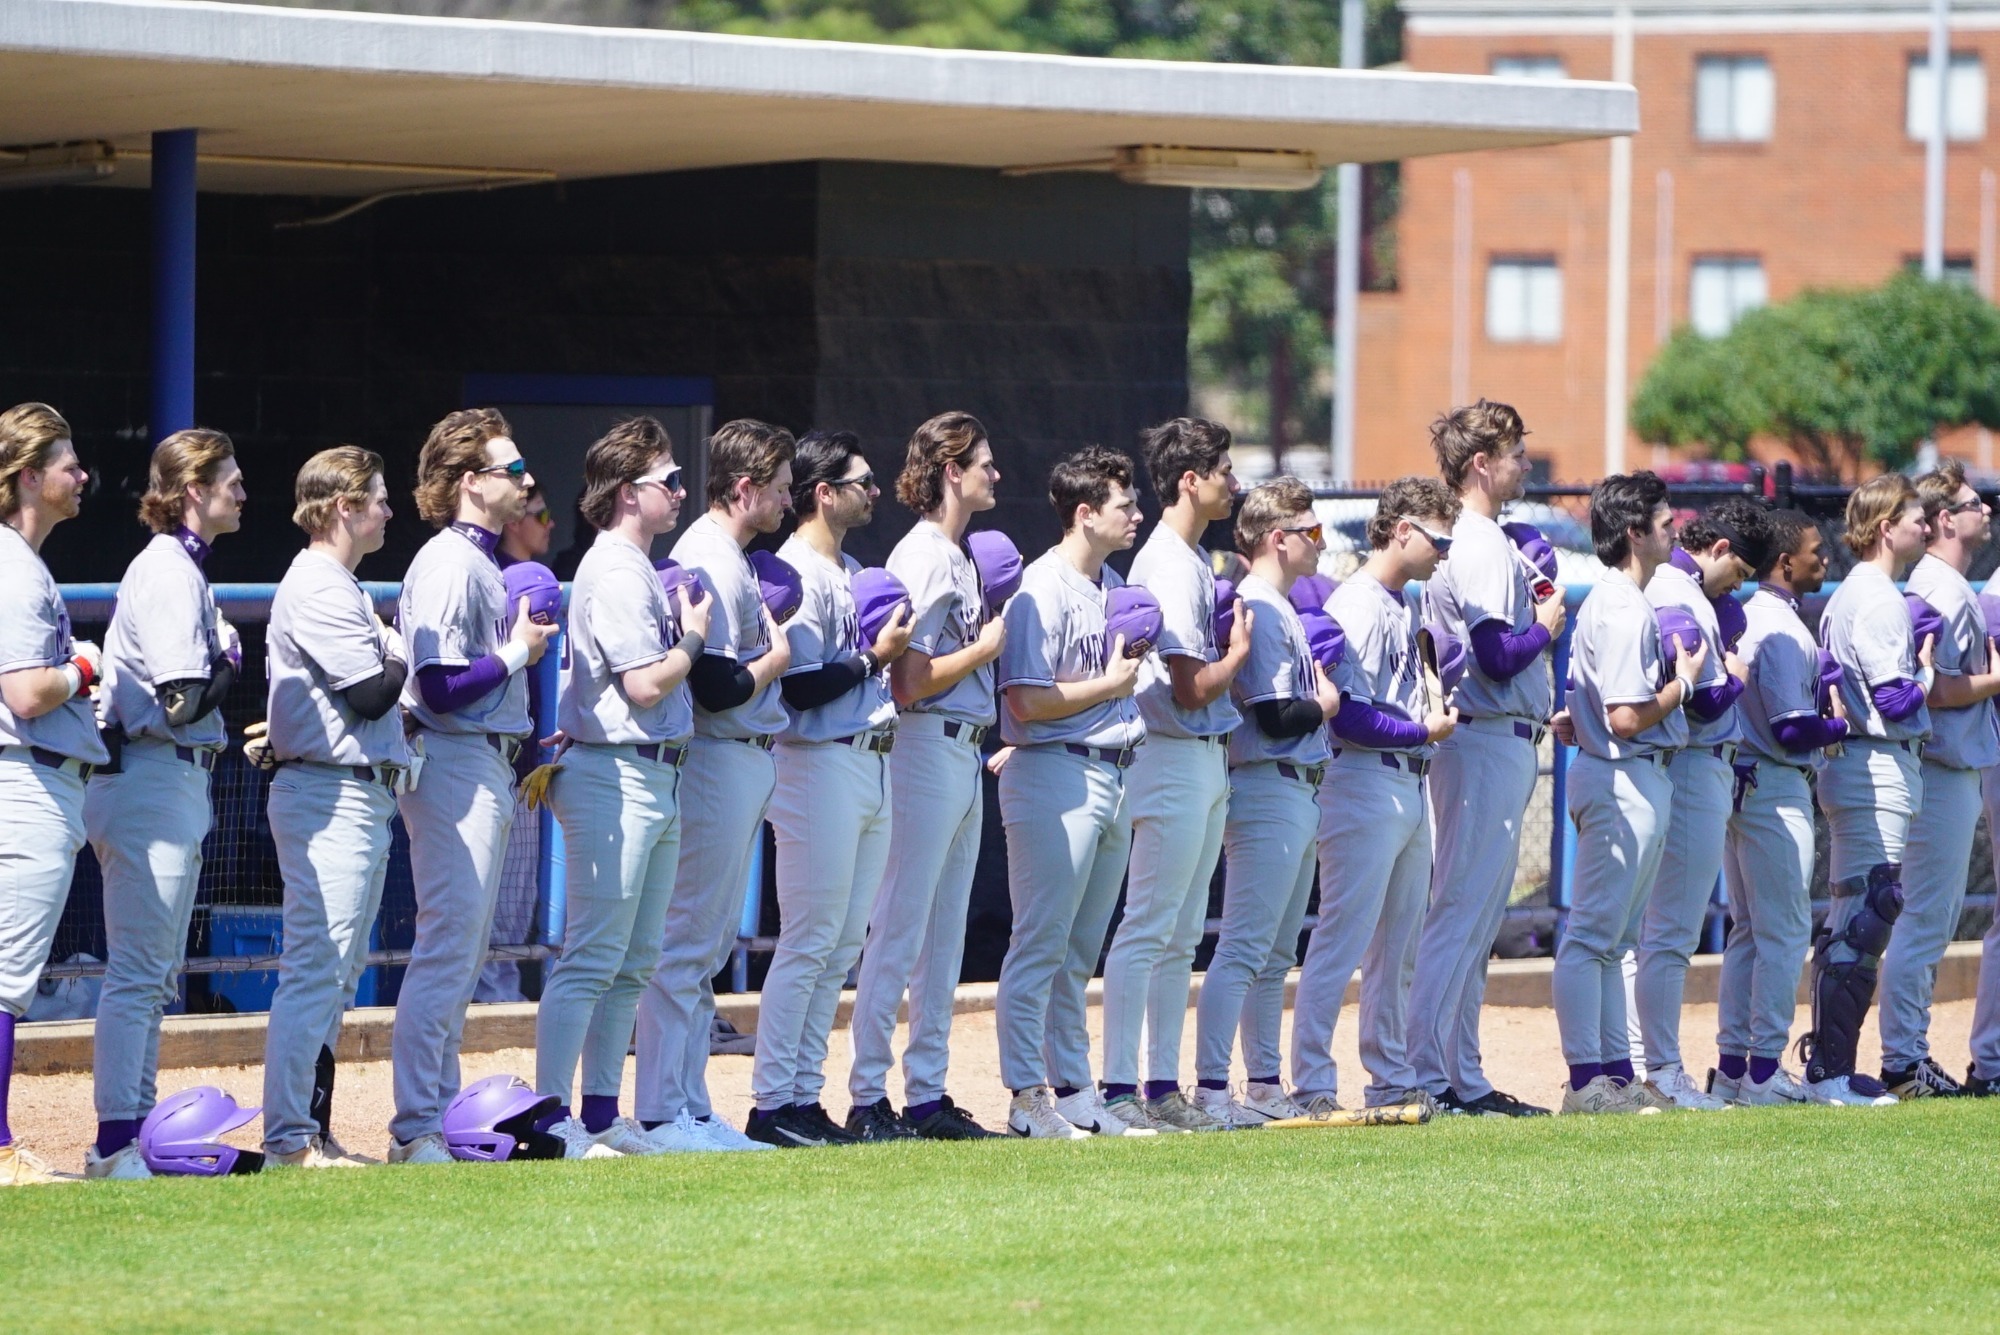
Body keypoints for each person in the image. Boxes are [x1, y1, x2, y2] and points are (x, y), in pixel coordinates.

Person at [532, 417, 708, 1156]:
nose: (680, 492)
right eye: (669, 482)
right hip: (614, 771)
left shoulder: (632, 565)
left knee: (633, 960)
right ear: (630, 493)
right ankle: (548, 1118)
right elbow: (641, 684)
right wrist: (693, 636)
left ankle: (602, 1114)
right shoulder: (613, 565)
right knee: (594, 956)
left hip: (651, 772)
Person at [389, 409, 552, 1163]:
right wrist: (519, 654)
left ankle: (435, 1113)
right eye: (510, 469)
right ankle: (418, 1123)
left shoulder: (481, 560)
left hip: (480, 756)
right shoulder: (451, 562)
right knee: (449, 945)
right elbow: (440, 684)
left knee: (461, 945)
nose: (524, 479)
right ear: (469, 481)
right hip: (453, 757)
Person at [84, 428, 246, 1179]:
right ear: (193, 490)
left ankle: (131, 1127)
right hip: (152, 773)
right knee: (141, 972)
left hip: (166, 777)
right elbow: (182, 702)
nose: (242, 492)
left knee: (151, 971)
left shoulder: (183, 568)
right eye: (230, 480)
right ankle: (116, 1139)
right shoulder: (167, 569)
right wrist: (228, 661)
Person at [746, 432, 912, 1147]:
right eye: (863, 481)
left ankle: (802, 1096)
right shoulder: (792, 573)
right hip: (816, 760)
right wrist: (875, 657)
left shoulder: (852, 568)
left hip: (870, 758)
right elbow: (799, 686)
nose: (875, 492)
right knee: (811, 937)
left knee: (843, 940)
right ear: (824, 492)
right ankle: (771, 1102)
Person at [632, 420, 794, 1153]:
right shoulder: (705, 553)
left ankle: (691, 1105)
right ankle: (665, 1111)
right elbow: (719, 685)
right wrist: (778, 658)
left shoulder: (729, 553)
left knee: (707, 941)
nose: (789, 500)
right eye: (782, 486)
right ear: (744, 487)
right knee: (687, 940)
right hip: (717, 755)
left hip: (743, 758)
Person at [845, 412, 1007, 1142]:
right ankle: (866, 1094)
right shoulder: (928, 555)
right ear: (951, 468)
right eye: (984, 462)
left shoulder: (958, 553)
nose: (994, 473)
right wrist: (987, 650)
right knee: (902, 925)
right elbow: (909, 681)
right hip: (922, 744)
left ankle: (928, 1092)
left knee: (944, 933)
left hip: (962, 749)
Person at [1408, 400, 1562, 1118]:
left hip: (1499, 738)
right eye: (1515, 451)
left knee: (1473, 920)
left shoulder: (1485, 539)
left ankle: (1462, 1076)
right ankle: (1427, 1074)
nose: (1525, 460)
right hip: (1481, 737)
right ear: (1481, 462)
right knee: (1458, 913)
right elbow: (1498, 655)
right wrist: (1549, 628)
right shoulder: (1474, 542)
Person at [1291, 476, 1460, 1116]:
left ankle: (1390, 1077)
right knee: (1343, 938)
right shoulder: (1357, 603)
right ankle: (1310, 1083)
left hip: (1408, 780)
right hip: (1361, 779)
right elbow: (1348, 716)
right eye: (1437, 537)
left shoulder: (1403, 603)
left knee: (1399, 946)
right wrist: (1423, 729)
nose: (1443, 550)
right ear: (1402, 530)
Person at [258, 446, 408, 1169]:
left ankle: (309, 1131)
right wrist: (400, 647)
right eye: (377, 497)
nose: (387, 508)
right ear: (344, 504)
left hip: (353, 787)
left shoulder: (339, 582)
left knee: (335, 974)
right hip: (328, 790)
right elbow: (372, 693)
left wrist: (386, 646)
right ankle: (290, 1135)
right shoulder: (318, 581)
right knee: (317, 970)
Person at [993, 446, 1149, 1138]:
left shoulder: (1110, 583)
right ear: (1085, 514)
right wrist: (1112, 688)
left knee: (1079, 949)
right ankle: (1027, 1096)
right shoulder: (1041, 586)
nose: (1135, 513)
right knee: (1040, 943)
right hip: (1054, 771)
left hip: (1112, 769)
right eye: (1124, 503)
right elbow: (1024, 702)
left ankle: (1076, 1091)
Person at [1100, 418, 1247, 1134]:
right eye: (1223, 468)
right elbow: (1190, 687)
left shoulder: (1189, 557)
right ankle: (1120, 1085)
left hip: (1197, 755)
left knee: (1181, 931)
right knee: (1151, 925)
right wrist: (1241, 652)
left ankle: (1159, 1084)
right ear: (1190, 479)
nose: (1234, 480)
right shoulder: (1165, 559)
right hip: (1168, 751)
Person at [1191, 477, 1340, 1128]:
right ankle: (1211, 1090)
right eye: (1309, 531)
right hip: (1267, 780)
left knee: (1275, 952)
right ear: (1277, 539)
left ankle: (1260, 1083)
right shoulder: (1260, 601)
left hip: (1295, 785)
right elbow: (1277, 716)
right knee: (1246, 947)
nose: (1320, 541)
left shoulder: (1279, 603)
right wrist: (1328, 703)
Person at [1554, 471, 1699, 1115]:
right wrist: (1684, 684)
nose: (1675, 531)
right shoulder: (1618, 603)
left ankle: (1612, 1075)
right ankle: (1588, 1080)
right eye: (1666, 523)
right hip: (1619, 772)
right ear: (1634, 531)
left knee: (1612, 940)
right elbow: (1625, 716)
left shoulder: (1620, 599)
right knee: (1592, 937)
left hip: (1627, 774)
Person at [1630, 498, 1769, 1110]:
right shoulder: (1679, 593)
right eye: (1738, 569)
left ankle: (1644, 1064)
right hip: (1689, 767)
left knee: (1656, 931)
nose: (1738, 583)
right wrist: (1735, 674)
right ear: (1718, 548)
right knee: (1670, 932)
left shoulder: (1689, 590)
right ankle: (1658, 1069)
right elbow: (1704, 700)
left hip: (1689, 767)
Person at [0, 402, 107, 1187]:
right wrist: (85, 667)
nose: (82, 475)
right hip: (22, 774)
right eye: (68, 463)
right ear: (29, 475)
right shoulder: (11, 562)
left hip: (33, 770)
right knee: (6, 975)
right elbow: (28, 692)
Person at [1710, 509, 1846, 1105]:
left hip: (1741, 781)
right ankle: (1763, 1072)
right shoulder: (1783, 628)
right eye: (1816, 550)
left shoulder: (1751, 616)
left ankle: (1734, 1068)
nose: (1825, 558)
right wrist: (1839, 723)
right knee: (1786, 931)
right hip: (1774, 784)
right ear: (1785, 562)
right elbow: (1794, 731)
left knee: (1748, 932)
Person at [1805, 473, 1931, 1107]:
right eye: (1916, 517)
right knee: (1865, 917)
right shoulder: (1879, 598)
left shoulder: (1858, 591)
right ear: (1887, 527)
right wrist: (1931, 673)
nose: (1927, 525)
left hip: (1862, 762)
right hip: (1873, 761)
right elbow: (1894, 698)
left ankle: (1831, 1065)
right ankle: (1830, 1072)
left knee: (1856, 917)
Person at [1878, 461, 1995, 1098]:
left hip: (1948, 765)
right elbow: (1939, 689)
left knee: (1929, 916)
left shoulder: (1947, 584)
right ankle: (1903, 1058)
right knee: (1925, 918)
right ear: (1946, 517)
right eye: (1977, 503)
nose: (1988, 512)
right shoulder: (1942, 589)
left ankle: (1906, 1054)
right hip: (1939, 765)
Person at [478, 480, 555, 1005]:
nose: (549, 524)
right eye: (540, 515)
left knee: (517, 900)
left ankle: (501, 998)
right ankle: (491, 1004)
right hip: (487, 758)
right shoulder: (494, 581)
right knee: (492, 901)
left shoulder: (537, 582)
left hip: (525, 758)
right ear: (513, 520)